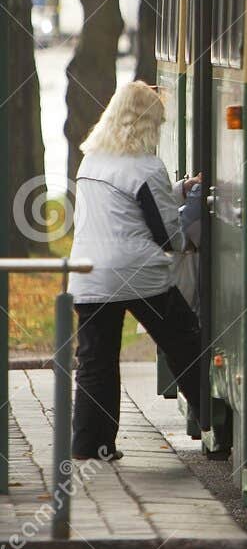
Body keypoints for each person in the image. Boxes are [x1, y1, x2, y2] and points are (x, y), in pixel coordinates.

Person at [67, 81, 206, 461]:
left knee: (95, 362)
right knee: (185, 344)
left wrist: (180, 189)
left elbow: (124, 204)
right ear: (148, 123)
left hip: (89, 273)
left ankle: (91, 445)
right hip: (139, 274)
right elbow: (166, 233)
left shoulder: (91, 159)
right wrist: (189, 242)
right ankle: (211, 420)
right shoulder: (147, 165)